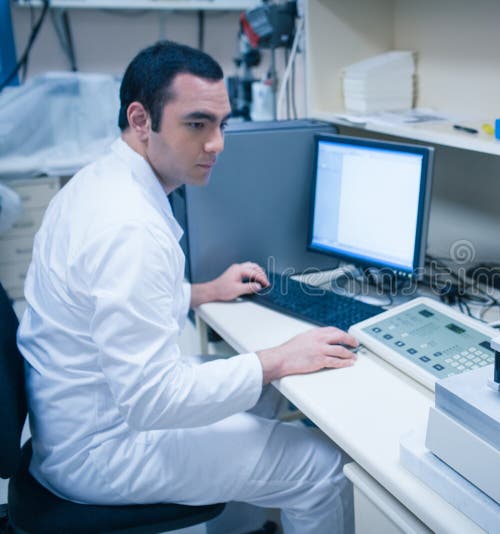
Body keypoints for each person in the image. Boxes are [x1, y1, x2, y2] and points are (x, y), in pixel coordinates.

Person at [16, 41, 357, 534]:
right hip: (104, 450)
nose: (217, 143)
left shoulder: (99, 183)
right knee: (319, 467)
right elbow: (153, 400)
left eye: (222, 124)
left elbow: (106, 305)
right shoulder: (128, 227)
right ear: (141, 120)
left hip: (81, 416)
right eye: (197, 124)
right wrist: (278, 358)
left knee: (264, 397)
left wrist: (202, 292)